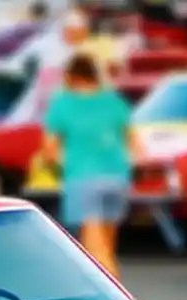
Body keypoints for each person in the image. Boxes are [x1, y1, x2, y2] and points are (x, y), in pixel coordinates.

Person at [43, 53, 135, 279]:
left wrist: (60, 167)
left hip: (83, 178)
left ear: (71, 77)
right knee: (108, 247)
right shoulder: (115, 102)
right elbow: (132, 142)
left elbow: (49, 150)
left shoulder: (62, 104)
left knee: (96, 251)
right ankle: (113, 294)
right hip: (117, 177)